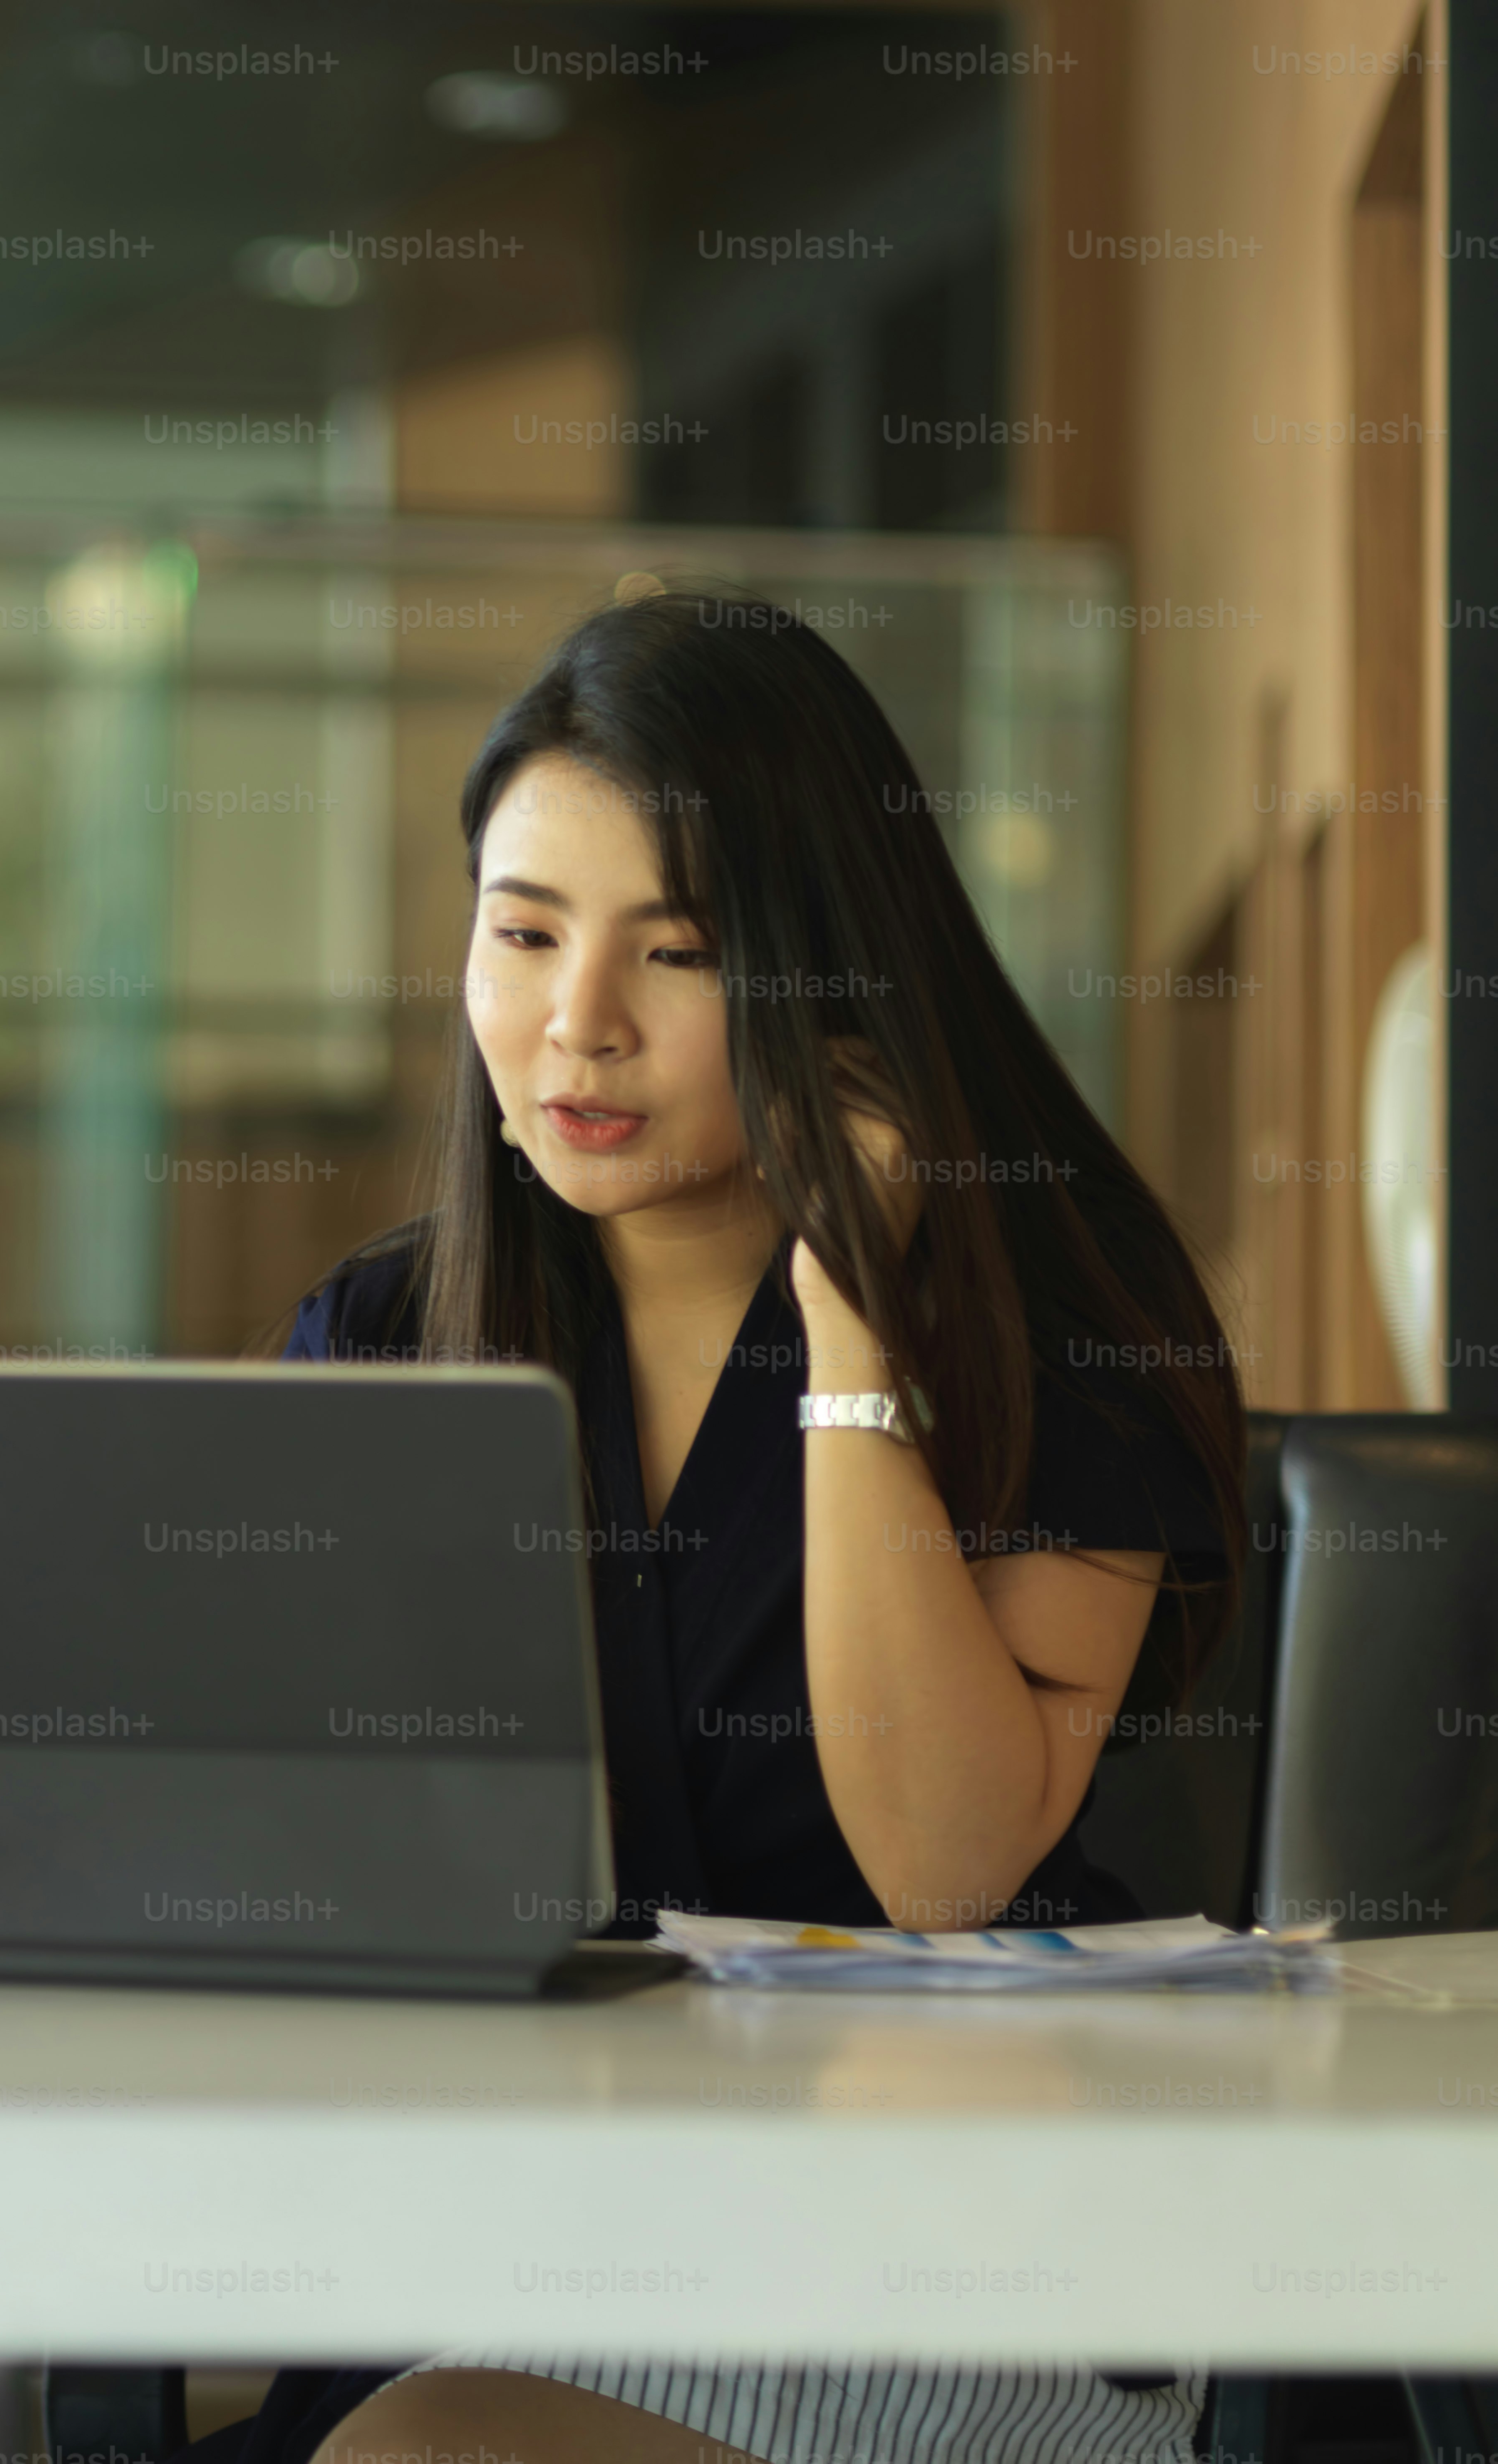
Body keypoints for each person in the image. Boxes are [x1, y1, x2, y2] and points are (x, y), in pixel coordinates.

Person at [216, 588, 1245, 2464]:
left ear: (825, 977)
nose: (573, 1026)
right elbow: (265, 1810)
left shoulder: (1054, 1318)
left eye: (673, 957)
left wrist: (857, 1335)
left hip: (949, 2256)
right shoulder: (389, 1332)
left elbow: (942, 1864)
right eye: (520, 934)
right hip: (520, 2228)